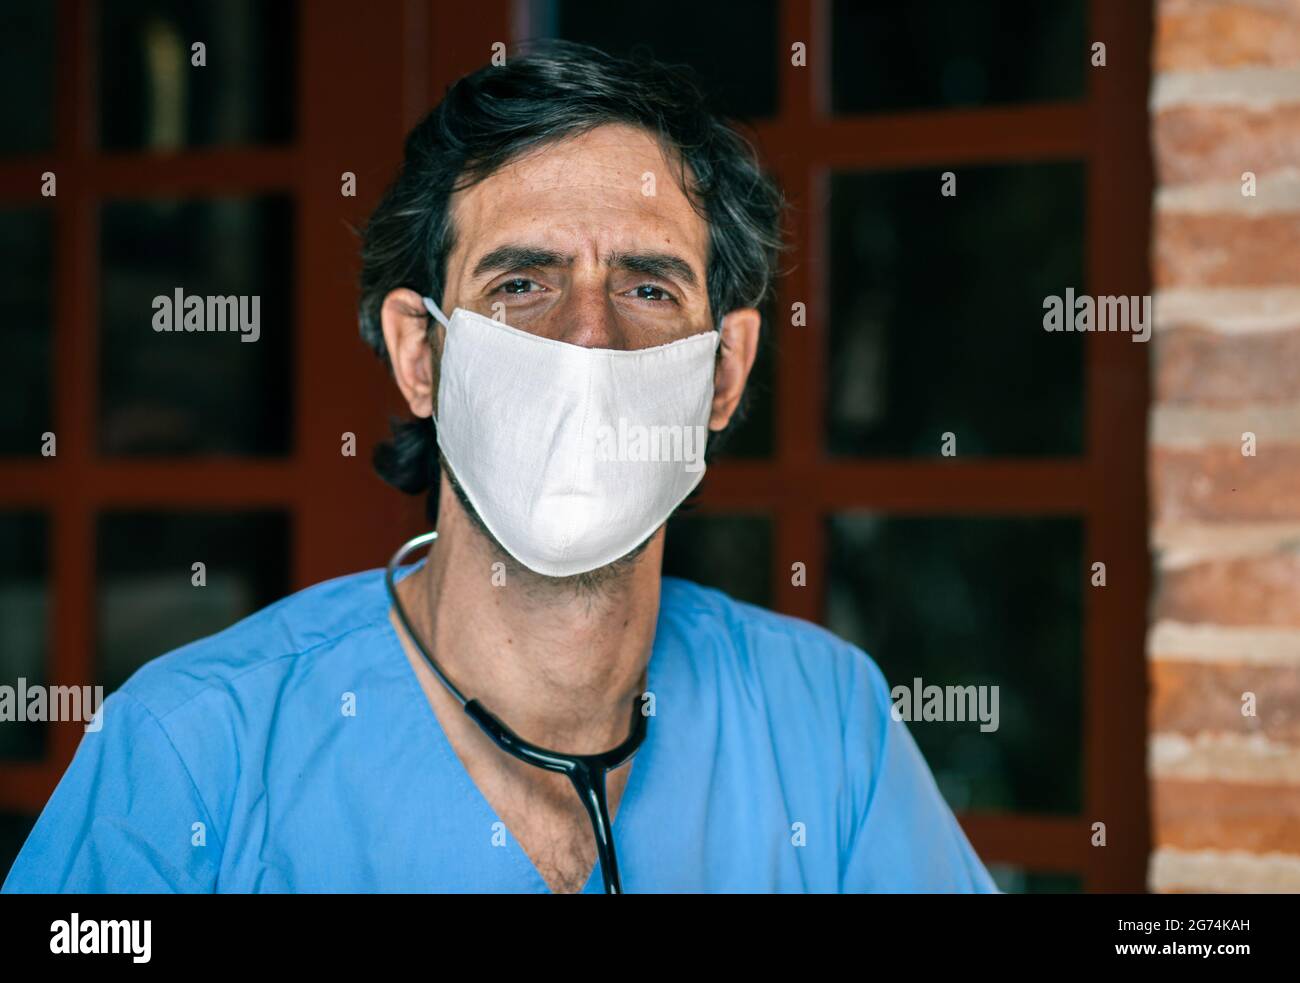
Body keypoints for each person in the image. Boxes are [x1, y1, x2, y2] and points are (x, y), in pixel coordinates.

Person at [4, 41, 996, 894]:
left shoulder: (823, 720)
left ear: (723, 370)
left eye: (648, 284)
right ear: (419, 355)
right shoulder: (193, 751)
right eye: (522, 282)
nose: (588, 339)